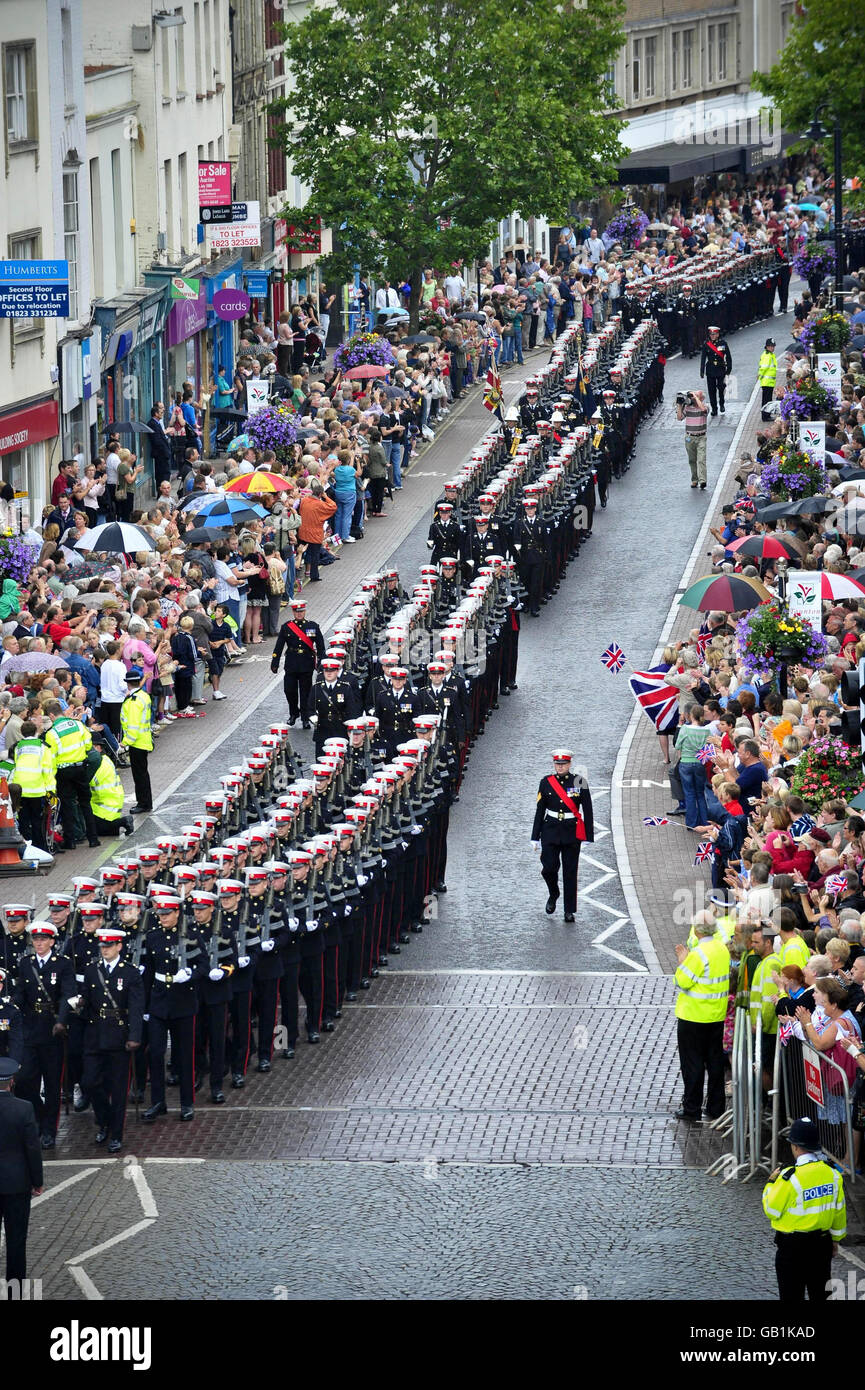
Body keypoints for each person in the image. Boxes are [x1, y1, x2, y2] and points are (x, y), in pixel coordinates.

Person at [762, 1115, 846, 1302]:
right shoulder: (833, 1174)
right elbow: (839, 1211)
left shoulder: (788, 1178)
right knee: (820, 1295)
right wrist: (836, 1240)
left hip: (792, 1249)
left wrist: (770, 1183)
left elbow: (772, 1210)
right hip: (821, 1245)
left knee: (791, 1296)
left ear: (795, 1146)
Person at [80, 925, 145, 1153]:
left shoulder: (130, 972)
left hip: (119, 1035)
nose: (104, 950)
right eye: (102, 946)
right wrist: (77, 1005)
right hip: (95, 1034)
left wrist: (135, 1036)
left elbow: (136, 1007)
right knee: (89, 1082)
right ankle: (104, 1119)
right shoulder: (92, 970)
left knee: (118, 1090)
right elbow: (86, 1001)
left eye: (109, 946)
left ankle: (115, 1133)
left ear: (119, 946)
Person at [13, 922, 75, 1150]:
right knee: (24, 1079)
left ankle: (49, 1130)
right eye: (35, 939)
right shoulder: (26, 964)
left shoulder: (63, 965)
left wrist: (61, 1021)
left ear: (52, 942)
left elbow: (68, 995)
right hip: (30, 1029)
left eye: (42, 939)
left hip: (52, 1029)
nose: (38, 943)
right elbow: (20, 993)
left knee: (51, 1084)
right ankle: (39, 1116)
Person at [673, 916, 731, 1122]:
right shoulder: (722, 949)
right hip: (716, 1015)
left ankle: (692, 1108)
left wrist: (683, 961)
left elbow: (682, 981)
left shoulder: (698, 954)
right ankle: (716, 1107)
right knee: (715, 1062)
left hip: (693, 1016)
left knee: (692, 1064)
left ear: (697, 930)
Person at [530, 748, 594, 922]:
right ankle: (554, 893)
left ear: (569, 764)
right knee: (548, 868)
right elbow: (540, 810)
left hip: (571, 831)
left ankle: (569, 910)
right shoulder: (546, 782)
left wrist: (588, 836)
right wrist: (535, 836)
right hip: (550, 830)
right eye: (557, 764)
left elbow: (588, 810)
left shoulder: (579, 781)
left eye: (563, 764)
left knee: (570, 871)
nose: (560, 767)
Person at [0, 1057, 43, 1285]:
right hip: (17, 1184)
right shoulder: (24, 1108)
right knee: (17, 1241)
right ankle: (14, 1291)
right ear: (12, 1081)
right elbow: (32, 1148)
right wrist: (37, 1181)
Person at [42, 702, 101, 850]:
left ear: (51, 715)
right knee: (85, 803)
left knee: (67, 806)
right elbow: (88, 745)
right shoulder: (78, 725)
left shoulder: (51, 733)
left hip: (63, 772)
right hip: (80, 768)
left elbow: (51, 758)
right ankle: (93, 839)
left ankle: (70, 841)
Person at [271, 598, 325, 727]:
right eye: (296, 612)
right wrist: (275, 661)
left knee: (305, 692)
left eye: (301, 611)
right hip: (291, 662)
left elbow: (321, 646)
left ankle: (305, 718)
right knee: (289, 690)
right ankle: (294, 713)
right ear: (293, 612)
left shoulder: (312, 626)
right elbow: (279, 646)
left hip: (306, 663)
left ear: (305, 611)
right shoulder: (287, 627)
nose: (299, 614)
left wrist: (321, 663)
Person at [9, 720, 55, 852]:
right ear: (36, 732)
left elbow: (17, 764)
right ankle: (40, 849)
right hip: (36, 789)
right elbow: (47, 770)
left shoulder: (18, 746)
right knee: (37, 821)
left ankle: (26, 848)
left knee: (23, 820)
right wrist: (51, 790)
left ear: (21, 733)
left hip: (20, 789)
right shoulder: (43, 747)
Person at [120, 666, 153, 814]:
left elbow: (133, 726)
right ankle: (146, 802)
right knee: (143, 774)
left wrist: (125, 742)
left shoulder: (133, 701)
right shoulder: (143, 695)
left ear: (128, 684)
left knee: (139, 775)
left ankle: (143, 803)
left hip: (136, 742)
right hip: (144, 740)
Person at [675, 387, 709, 491]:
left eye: (696, 397)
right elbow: (679, 418)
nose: (693, 399)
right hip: (689, 437)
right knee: (692, 459)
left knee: (701, 459)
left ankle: (703, 480)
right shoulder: (687, 408)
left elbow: (703, 410)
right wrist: (679, 405)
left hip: (701, 437)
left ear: (701, 398)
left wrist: (695, 397)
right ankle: (695, 480)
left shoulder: (705, 406)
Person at [700, 324, 733, 417]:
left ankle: (722, 403)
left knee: (721, 387)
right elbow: (703, 358)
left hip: (720, 369)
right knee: (711, 390)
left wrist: (729, 369)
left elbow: (728, 357)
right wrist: (702, 371)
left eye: (714, 334)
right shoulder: (706, 344)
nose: (712, 336)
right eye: (711, 334)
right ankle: (714, 408)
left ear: (718, 334)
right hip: (710, 370)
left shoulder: (723, 343)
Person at [758, 337, 778, 407]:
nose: (773, 348)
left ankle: (767, 415)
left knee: (768, 400)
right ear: (767, 347)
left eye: (773, 346)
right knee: (766, 400)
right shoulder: (767, 355)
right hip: (766, 382)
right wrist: (759, 375)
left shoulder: (771, 355)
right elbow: (763, 368)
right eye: (771, 346)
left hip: (769, 382)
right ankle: (765, 416)